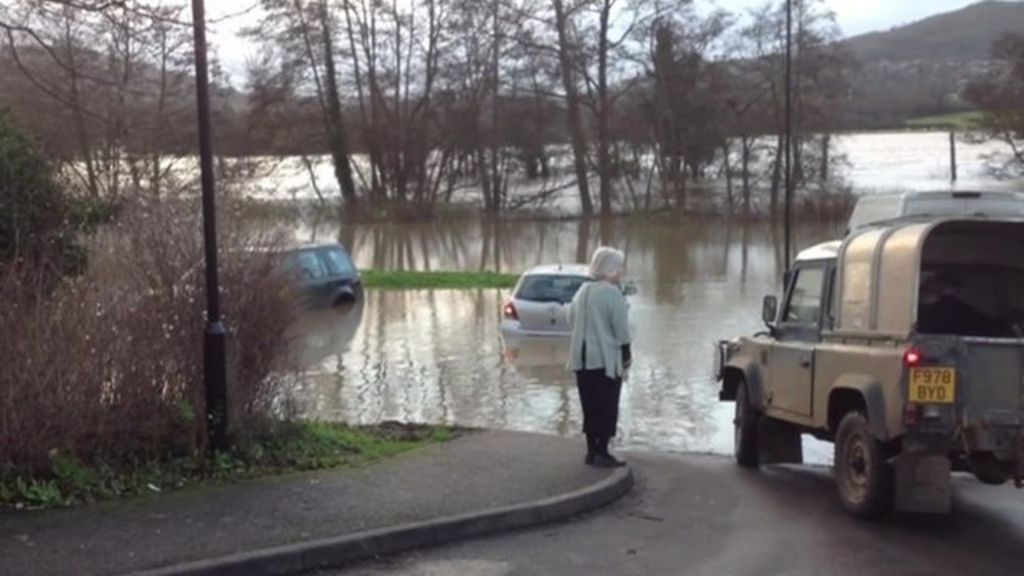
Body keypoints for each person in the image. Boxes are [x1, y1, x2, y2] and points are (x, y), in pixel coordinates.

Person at [567, 247, 632, 468]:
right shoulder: (612, 293)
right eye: (619, 267)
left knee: (590, 406)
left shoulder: (581, 291)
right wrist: (626, 355)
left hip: (581, 360)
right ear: (610, 268)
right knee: (607, 405)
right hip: (604, 360)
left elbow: (570, 318)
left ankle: (591, 451)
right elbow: (622, 329)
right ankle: (603, 451)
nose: (621, 272)